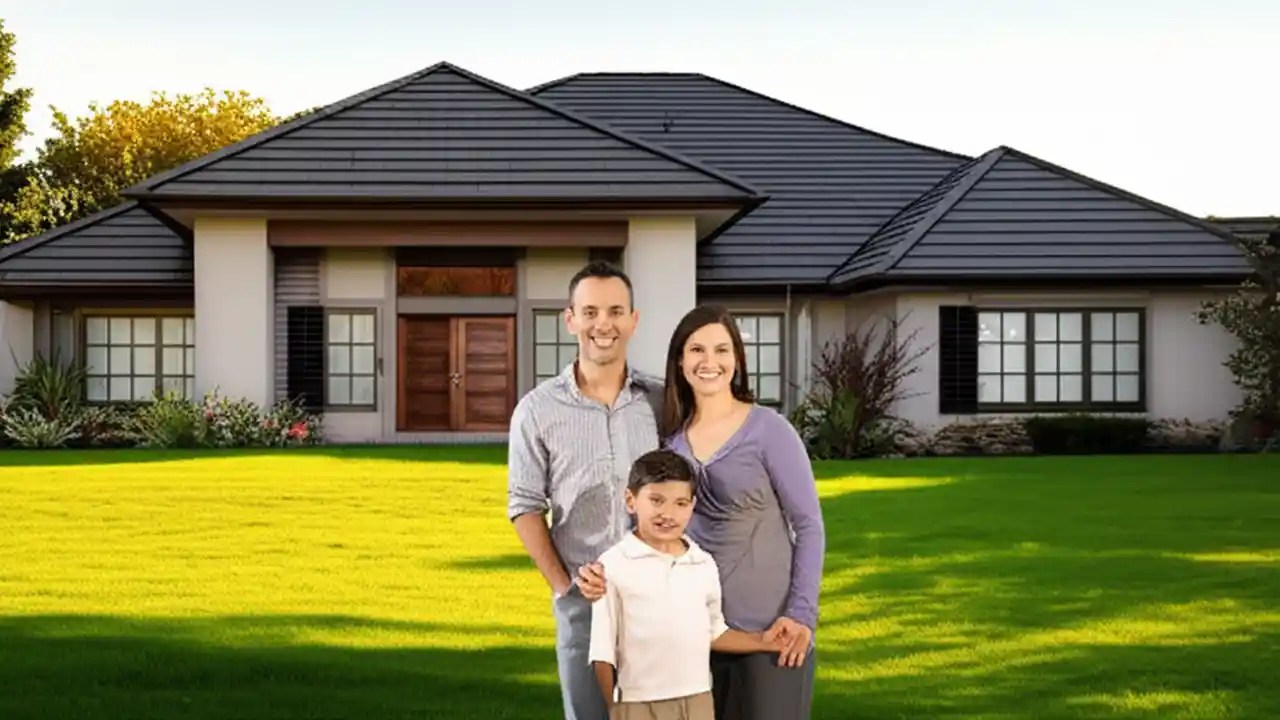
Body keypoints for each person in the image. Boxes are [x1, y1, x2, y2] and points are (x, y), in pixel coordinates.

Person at [578, 303, 825, 720]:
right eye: (697, 350)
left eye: (722, 350)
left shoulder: (770, 431)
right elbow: (643, 531)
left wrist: (801, 614)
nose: (710, 362)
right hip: (689, 643)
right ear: (680, 361)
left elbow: (809, 526)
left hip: (769, 632)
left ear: (736, 361)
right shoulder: (671, 447)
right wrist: (602, 575)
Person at [507, 260, 663, 720]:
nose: (604, 324)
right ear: (570, 319)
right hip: (585, 603)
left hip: (658, 597)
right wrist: (565, 587)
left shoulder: (661, 402)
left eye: (616, 311)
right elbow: (524, 507)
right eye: (591, 311)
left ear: (633, 320)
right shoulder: (536, 411)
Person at [588, 449, 784, 720]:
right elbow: (602, 652)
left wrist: (763, 642)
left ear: (692, 506)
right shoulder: (612, 566)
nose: (668, 513)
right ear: (631, 501)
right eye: (656, 500)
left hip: (697, 700)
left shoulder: (702, 563)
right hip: (637, 703)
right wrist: (616, 709)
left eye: (680, 504)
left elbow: (714, 631)